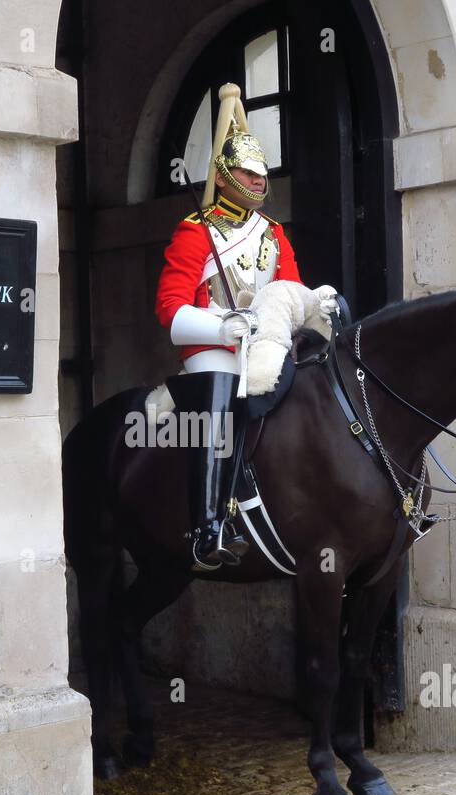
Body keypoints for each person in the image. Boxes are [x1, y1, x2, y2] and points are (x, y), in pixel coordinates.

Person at [154, 83, 305, 571]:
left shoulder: (274, 234)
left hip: (265, 340)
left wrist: (316, 305)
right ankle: (208, 526)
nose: (257, 182)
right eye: (246, 172)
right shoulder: (196, 230)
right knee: (222, 390)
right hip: (214, 345)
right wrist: (224, 328)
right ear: (223, 176)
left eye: (261, 174)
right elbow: (170, 310)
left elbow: (291, 291)